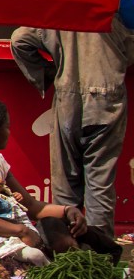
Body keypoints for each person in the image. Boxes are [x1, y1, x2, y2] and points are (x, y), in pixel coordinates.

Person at [0, 97, 119, 258]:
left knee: (80, 231)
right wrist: (21, 231)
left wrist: (68, 211)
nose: (9, 132)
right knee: (55, 239)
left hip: (7, 234)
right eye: (7, 127)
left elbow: (32, 207)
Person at [11, 22, 134, 238]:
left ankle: (68, 248)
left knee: (65, 182)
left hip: (67, 97)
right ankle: (99, 255)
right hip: (107, 99)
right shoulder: (113, 16)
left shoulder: (60, 17)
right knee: (100, 182)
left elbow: (19, 39)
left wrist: (48, 73)